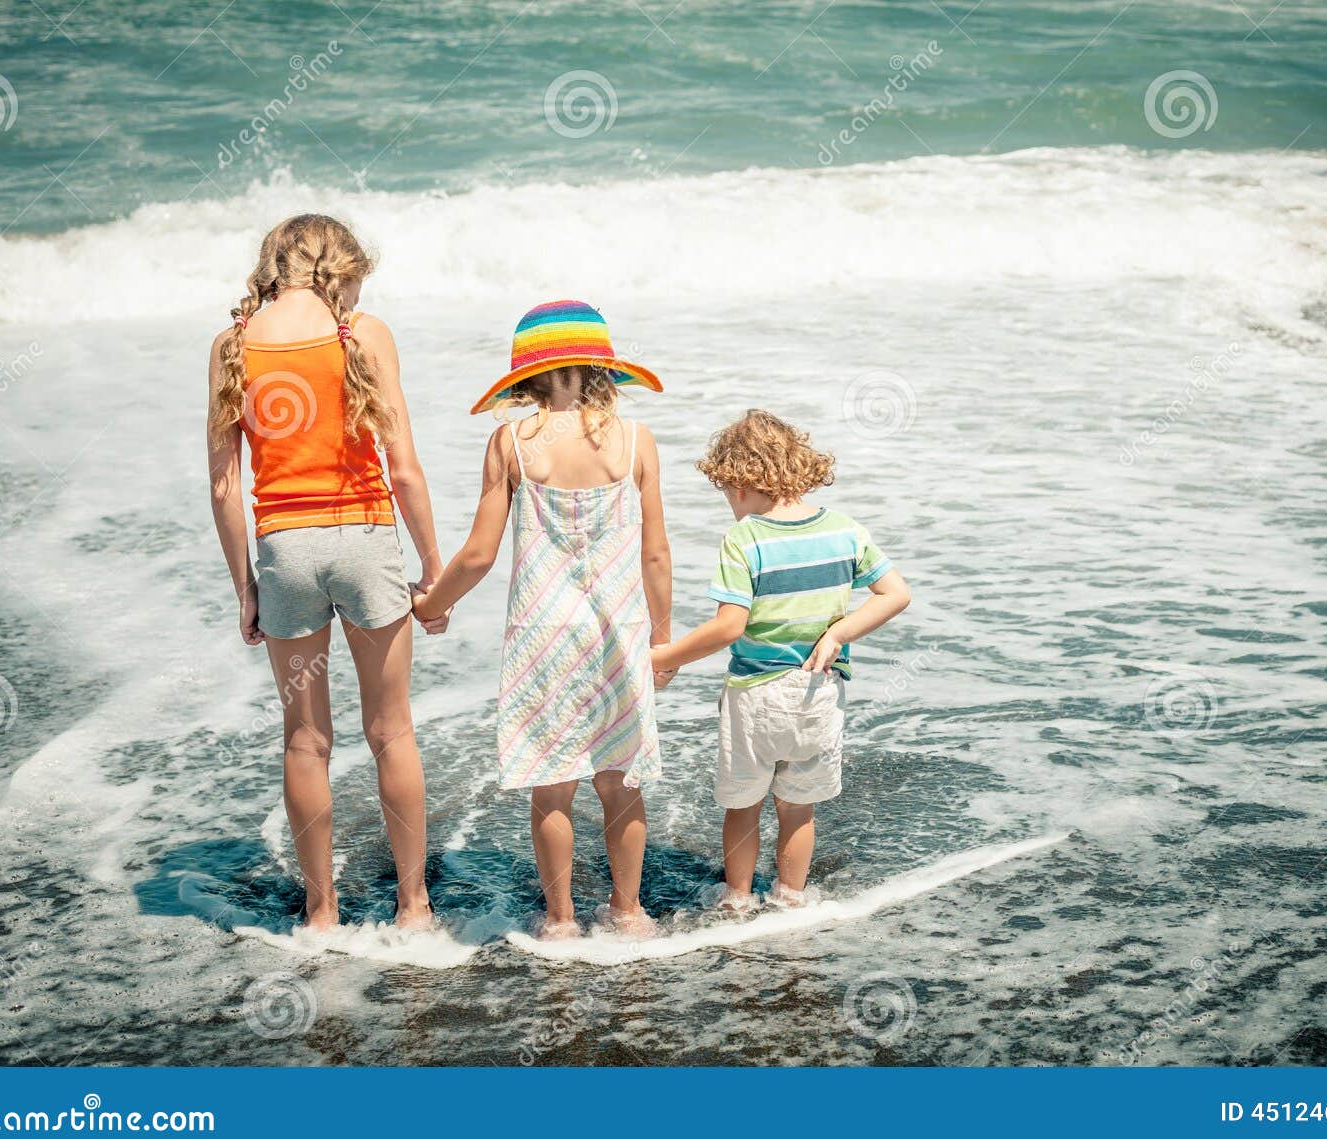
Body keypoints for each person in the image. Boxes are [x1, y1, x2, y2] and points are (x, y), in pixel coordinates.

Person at [206, 214, 444, 931]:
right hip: (365, 540)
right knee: (392, 731)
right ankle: (414, 906)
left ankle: (321, 912)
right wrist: (433, 566)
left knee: (305, 739)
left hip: (285, 550)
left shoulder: (232, 345)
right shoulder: (363, 334)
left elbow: (223, 484)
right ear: (337, 267)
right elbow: (401, 467)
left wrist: (245, 584)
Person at [412, 301, 671, 938]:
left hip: (543, 636)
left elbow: (477, 553)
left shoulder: (514, 443)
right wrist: (661, 639)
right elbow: (657, 551)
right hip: (618, 630)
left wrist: (433, 604)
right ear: (598, 366)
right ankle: (629, 911)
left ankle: (560, 919)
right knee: (620, 778)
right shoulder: (634, 440)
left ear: (526, 377)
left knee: (552, 784)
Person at [650, 410, 910, 906]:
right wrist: (840, 631)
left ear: (746, 482)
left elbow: (730, 626)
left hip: (757, 696)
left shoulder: (745, 538)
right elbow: (895, 594)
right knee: (798, 809)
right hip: (819, 692)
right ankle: (791, 899)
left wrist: (665, 656)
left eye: (727, 490)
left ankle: (737, 900)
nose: (729, 502)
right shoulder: (844, 531)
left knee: (744, 807)